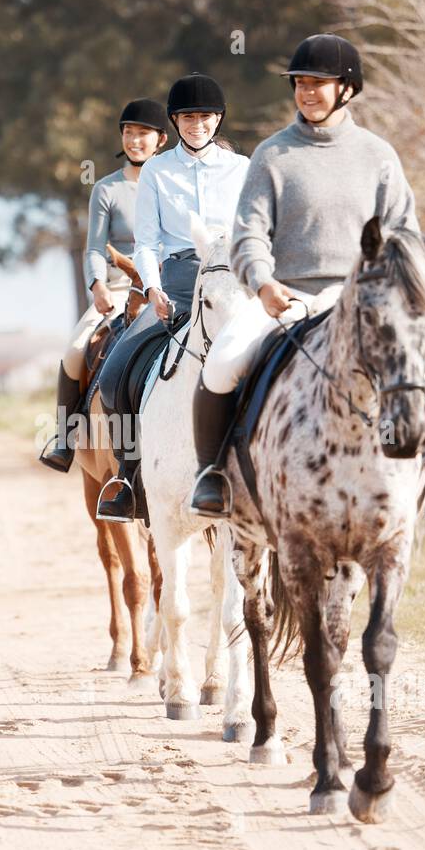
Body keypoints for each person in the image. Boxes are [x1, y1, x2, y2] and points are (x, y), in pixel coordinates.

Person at [188, 33, 425, 522]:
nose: (306, 92)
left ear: (347, 88)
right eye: (300, 83)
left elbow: (404, 235)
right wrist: (262, 283)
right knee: (222, 362)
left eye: (317, 83)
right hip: (291, 297)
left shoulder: (378, 155)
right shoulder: (272, 155)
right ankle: (212, 477)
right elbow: (248, 234)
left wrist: (401, 292)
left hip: (369, 301)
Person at [94, 72, 250, 522]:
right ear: (175, 122)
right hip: (177, 278)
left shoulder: (242, 169)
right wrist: (154, 286)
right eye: (187, 117)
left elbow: (254, 233)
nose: (197, 124)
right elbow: (145, 241)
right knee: (114, 373)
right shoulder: (159, 171)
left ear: (217, 119)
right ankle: (127, 477)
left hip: (230, 279)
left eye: (204, 117)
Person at [39, 98, 169, 472]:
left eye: (143, 133)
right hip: (117, 289)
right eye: (129, 132)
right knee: (76, 349)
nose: (134, 140)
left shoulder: (171, 184)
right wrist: (96, 284)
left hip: (166, 286)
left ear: (160, 139)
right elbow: (95, 246)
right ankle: (65, 438)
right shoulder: (107, 189)